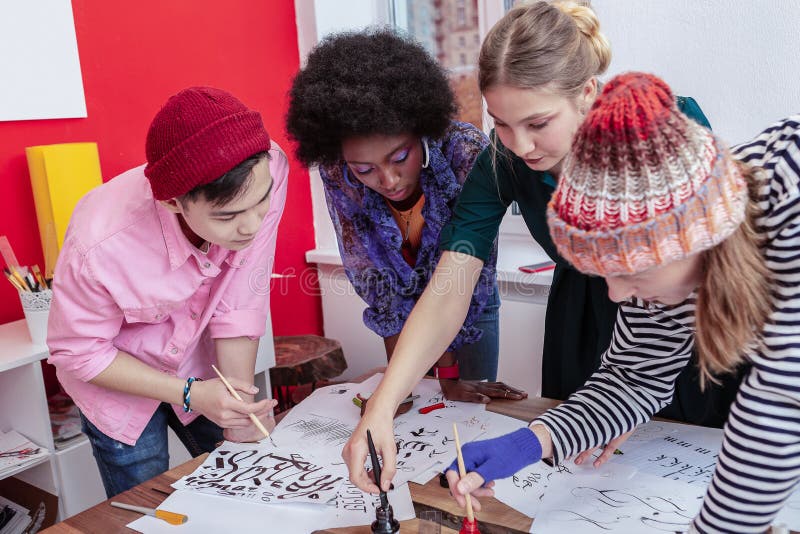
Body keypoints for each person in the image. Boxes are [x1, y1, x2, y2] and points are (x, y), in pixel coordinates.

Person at [343, 0, 733, 492]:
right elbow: (451, 286)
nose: (519, 145)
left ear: (587, 93)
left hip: (681, 304)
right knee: (593, 478)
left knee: (689, 463)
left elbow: (700, 260)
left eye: (538, 123)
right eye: (501, 124)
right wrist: (381, 406)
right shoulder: (500, 162)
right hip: (586, 319)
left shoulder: (666, 135)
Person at [446, 72, 800, 533]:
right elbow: (633, 378)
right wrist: (533, 442)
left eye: (628, 272)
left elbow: (780, 398)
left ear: (689, 237)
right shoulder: (674, 272)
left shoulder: (789, 184)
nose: (615, 295)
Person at [47, 86, 287, 497]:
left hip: (199, 362)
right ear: (174, 204)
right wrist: (191, 394)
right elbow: (78, 351)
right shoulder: (99, 243)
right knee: (146, 507)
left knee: (240, 486)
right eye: (228, 217)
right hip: (116, 385)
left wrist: (239, 406)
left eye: (260, 204)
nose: (251, 226)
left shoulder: (268, 166)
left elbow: (239, 298)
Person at [286, 29, 526, 403]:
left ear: (421, 130)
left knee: (471, 412)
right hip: (401, 304)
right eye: (365, 169)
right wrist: (398, 392)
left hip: (468, 297)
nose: (389, 180)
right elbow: (381, 286)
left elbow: (457, 284)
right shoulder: (339, 174)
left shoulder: (464, 155)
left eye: (400, 157)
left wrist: (448, 379)